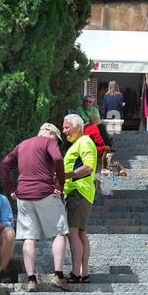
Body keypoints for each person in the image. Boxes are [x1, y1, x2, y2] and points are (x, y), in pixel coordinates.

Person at [0, 123, 70, 290]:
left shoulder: (22, 144)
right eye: (57, 139)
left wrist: (11, 189)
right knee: (59, 232)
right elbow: (58, 159)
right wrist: (60, 184)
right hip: (45, 192)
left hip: (23, 196)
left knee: (29, 237)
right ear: (49, 133)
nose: (57, 142)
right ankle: (59, 276)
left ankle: (31, 280)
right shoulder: (48, 141)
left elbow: (3, 166)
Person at [62, 114, 97, 284]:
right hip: (81, 193)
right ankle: (84, 272)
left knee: (73, 233)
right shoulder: (80, 143)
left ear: (77, 127)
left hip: (78, 192)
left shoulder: (84, 142)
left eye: (67, 127)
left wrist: (65, 175)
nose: (64, 131)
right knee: (81, 233)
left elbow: (88, 167)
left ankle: (76, 272)